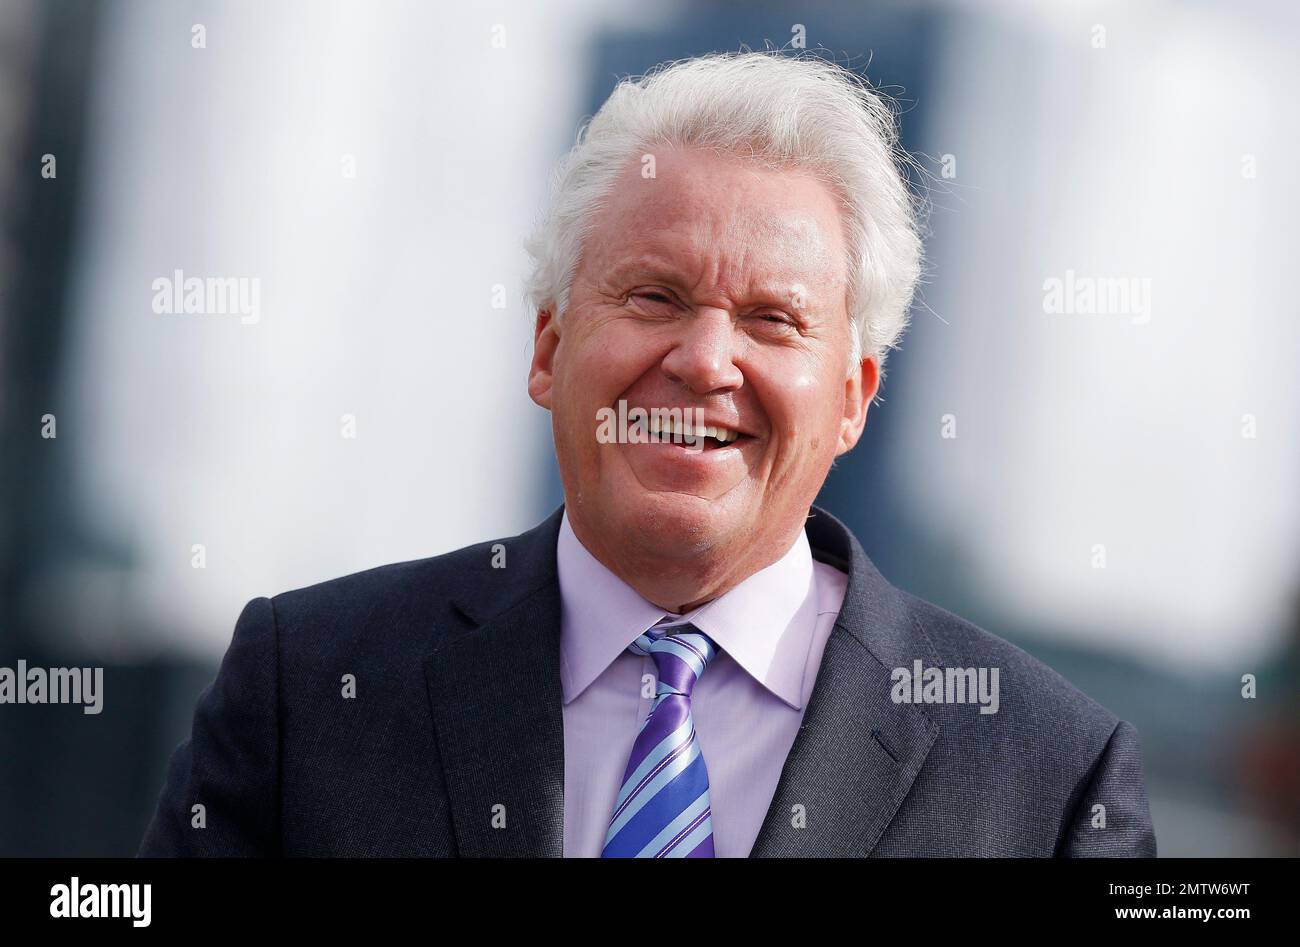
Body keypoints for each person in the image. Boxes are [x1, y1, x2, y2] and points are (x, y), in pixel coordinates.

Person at [139, 52, 1156, 858]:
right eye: (655, 297)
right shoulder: (308, 684)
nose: (705, 359)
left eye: (771, 318)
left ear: (851, 399)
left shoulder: (1047, 774)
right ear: (547, 347)